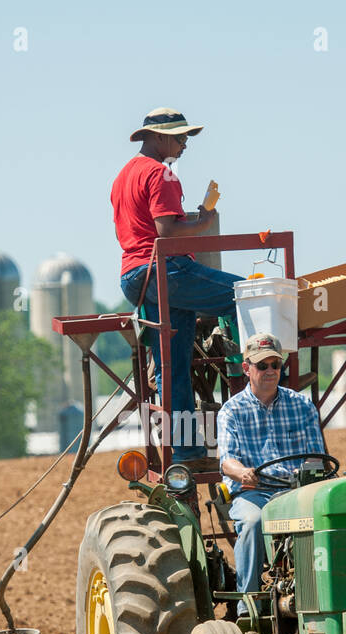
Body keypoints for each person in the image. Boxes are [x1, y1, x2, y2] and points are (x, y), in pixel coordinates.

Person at [112, 107, 244, 469]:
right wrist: (202, 223)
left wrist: (189, 222)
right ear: (157, 138)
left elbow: (147, 226)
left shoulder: (125, 175)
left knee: (174, 366)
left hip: (136, 277)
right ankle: (248, 387)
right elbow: (166, 231)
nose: (185, 143)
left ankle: (186, 452)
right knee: (248, 297)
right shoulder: (162, 174)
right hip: (165, 270)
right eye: (179, 136)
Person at [216, 332, 327, 616]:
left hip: (294, 491)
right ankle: (248, 604)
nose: (269, 371)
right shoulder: (231, 410)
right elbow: (227, 461)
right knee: (253, 523)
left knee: (328, 522)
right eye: (261, 365)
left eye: (274, 365)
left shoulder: (301, 406)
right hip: (255, 493)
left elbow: (316, 458)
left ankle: (325, 596)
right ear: (246, 369)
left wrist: (308, 478)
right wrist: (243, 474)